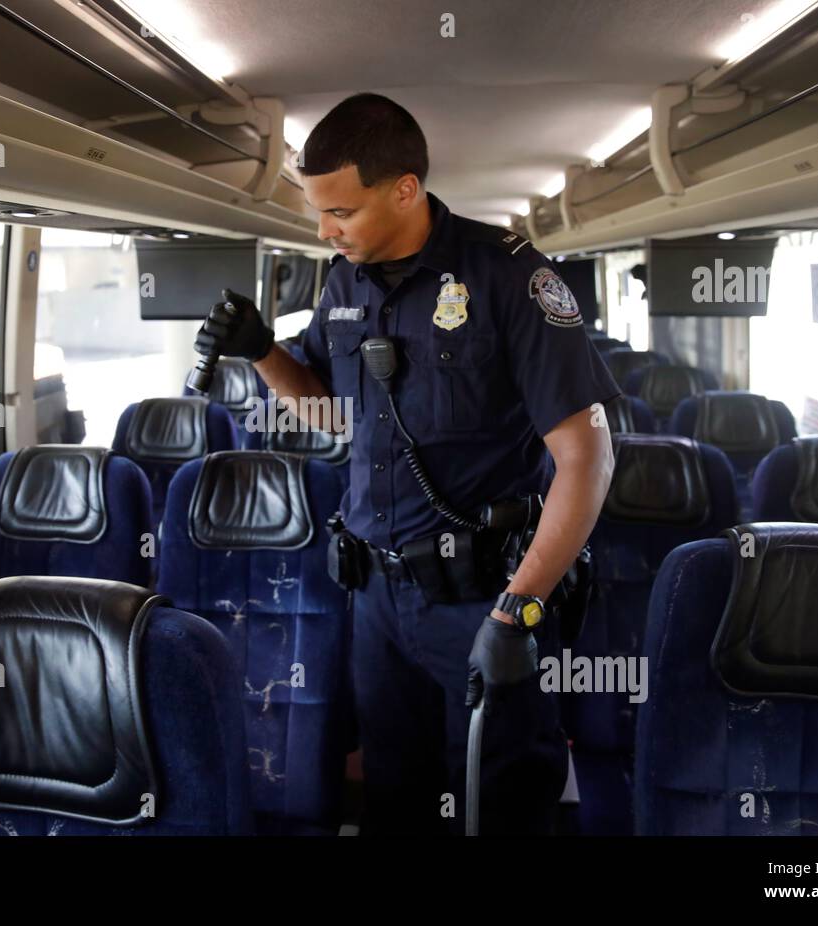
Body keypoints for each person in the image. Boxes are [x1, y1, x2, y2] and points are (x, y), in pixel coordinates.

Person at [194, 93, 619, 835]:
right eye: (318, 213)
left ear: (405, 189)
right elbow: (333, 417)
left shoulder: (507, 277)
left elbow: (588, 459)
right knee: (394, 798)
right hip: (378, 599)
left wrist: (519, 611)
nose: (327, 232)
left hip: (483, 598)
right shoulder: (342, 283)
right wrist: (263, 351)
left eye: (343, 214)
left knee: (498, 799)